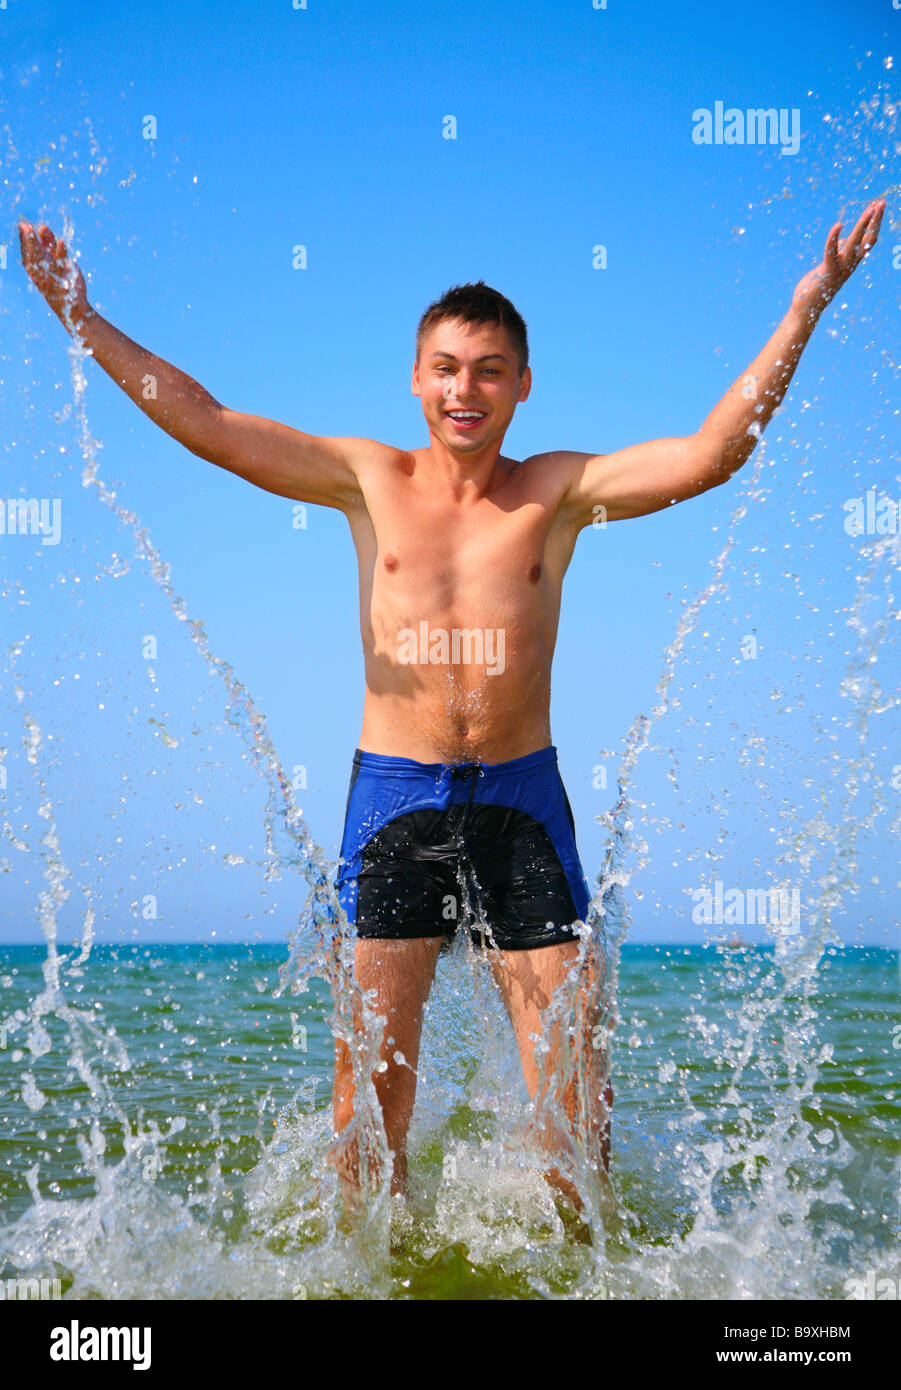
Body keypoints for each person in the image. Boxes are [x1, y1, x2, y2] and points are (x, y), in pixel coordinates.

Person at [17, 201, 886, 1207]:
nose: (461, 388)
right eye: (443, 365)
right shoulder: (366, 479)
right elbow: (208, 424)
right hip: (396, 802)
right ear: (415, 377)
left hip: (523, 805)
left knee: (573, 1096)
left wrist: (805, 305)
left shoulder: (556, 491)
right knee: (369, 1091)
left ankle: (578, 1266)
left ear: (520, 384)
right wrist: (82, 314)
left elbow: (709, 454)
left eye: (485, 369)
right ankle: (361, 1268)